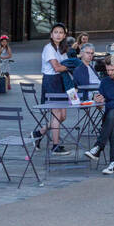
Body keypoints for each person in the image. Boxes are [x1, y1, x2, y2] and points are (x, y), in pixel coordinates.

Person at [40, 24, 72, 157]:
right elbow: (57, 68)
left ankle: (38, 133)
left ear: (64, 35)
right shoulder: (49, 48)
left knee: (62, 116)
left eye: (61, 32)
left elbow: (63, 66)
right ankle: (55, 145)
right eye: (55, 32)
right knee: (56, 114)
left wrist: (68, 66)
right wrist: (73, 65)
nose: (58, 34)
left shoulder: (62, 49)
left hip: (61, 81)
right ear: (51, 34)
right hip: (51, 81)